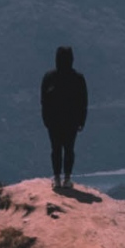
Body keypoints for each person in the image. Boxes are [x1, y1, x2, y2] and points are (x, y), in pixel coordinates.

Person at [39, 46, 88, 189]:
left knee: (56, 149)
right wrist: (82, 120)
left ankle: (57, 178)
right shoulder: (78, 78)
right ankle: (66, 178)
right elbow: (83, 102)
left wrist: (45, 118)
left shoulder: (49, 77)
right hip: (71, 120)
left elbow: (44, 100)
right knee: (68, 149)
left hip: (54, 120)